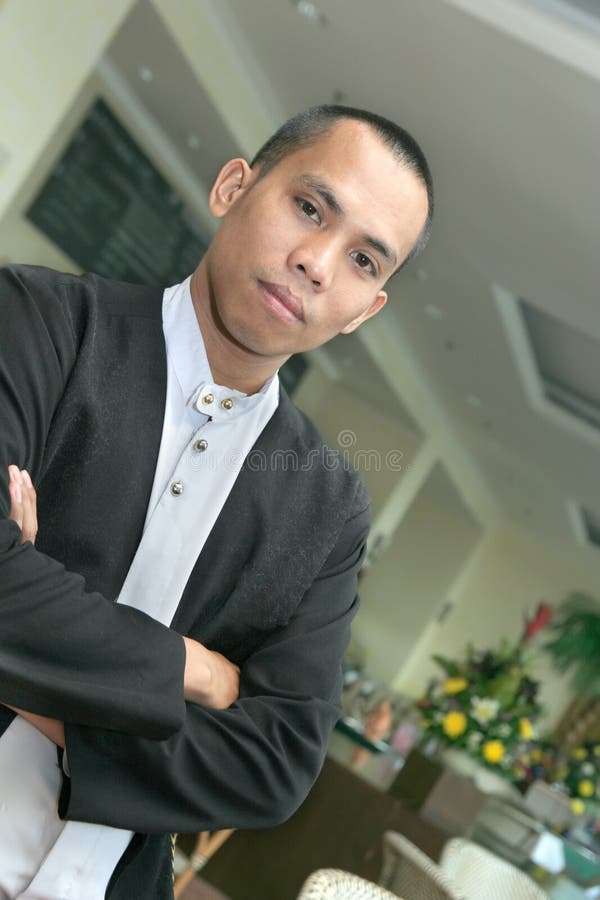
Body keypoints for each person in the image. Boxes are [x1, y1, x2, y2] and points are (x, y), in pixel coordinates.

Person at [0, 105, 432, 899]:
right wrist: (190, 673)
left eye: (365, 261)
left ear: (364, 313)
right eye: (309, 208)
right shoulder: (40, 322)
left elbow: (274, 767)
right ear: (234, 186)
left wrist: (24, 661)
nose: (317, 263)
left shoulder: (329, 510)